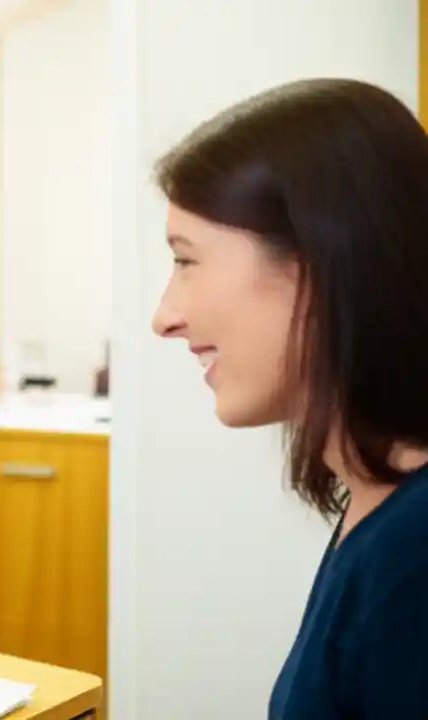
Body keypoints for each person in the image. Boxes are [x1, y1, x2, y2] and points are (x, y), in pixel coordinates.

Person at [151, 78, 428, 718]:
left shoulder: (416, 564)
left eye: (186, 261)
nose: (164, 316)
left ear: (321, 267)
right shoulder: (377, 506)